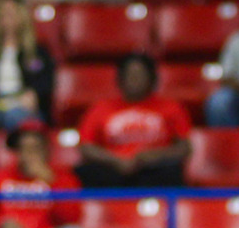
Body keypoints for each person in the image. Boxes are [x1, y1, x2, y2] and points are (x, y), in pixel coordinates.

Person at [76, 54, 191, 188]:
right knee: (87, 172)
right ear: (120, 79)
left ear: (151, 78)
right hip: (113, 169)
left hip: (153, 169)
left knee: (172, 171)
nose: (134, 80)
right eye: (130, 75)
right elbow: (86, 147)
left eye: (140, 75)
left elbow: (184, 148)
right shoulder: (100, 108)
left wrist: (153, 156)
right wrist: (116, 160)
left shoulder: (171, 108)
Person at [0, 0, 54, 131]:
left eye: (11, 13)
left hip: (21, 103)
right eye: (3, 13)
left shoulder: (38, 52)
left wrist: (34, 94)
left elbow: (46, 82)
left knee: (15, 115)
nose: (7, 18)